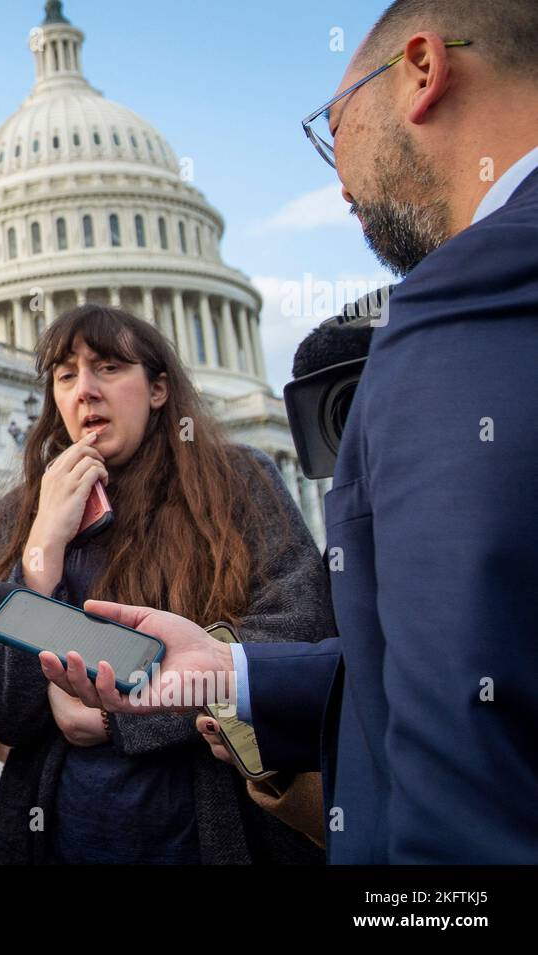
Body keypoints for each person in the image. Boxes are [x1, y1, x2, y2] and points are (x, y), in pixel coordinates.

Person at [60, 0, 538, 863]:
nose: (340, 182)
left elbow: (463, 728)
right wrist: (233, 671)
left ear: (424, 71)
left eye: (336, 123)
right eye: (65, 373)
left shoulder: (469, 293)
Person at [0, 305, 334, 864]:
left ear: (157, 389)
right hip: (59, 835)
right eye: (65, 375)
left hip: (213, 831)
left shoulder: (241, 481)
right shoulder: (24, 512)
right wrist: (43, 548)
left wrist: (124, 714)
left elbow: (297, 638)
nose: (84, 391)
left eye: (108, 367)